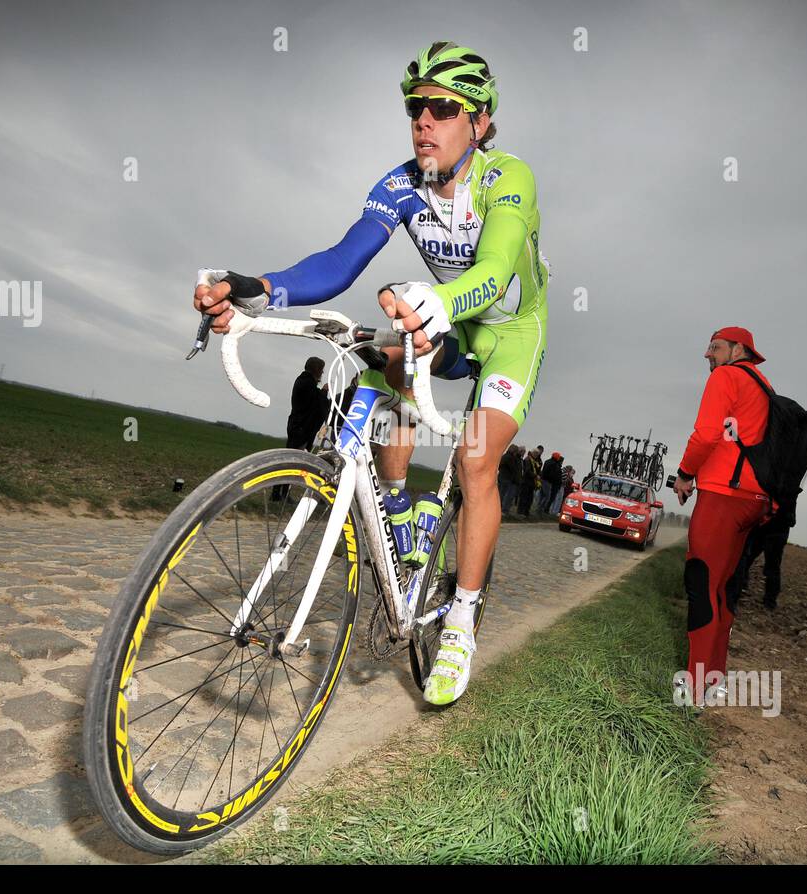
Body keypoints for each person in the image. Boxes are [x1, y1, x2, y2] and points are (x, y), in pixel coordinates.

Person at [191, 42, 549, 706]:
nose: (425, 120)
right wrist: (259, 288)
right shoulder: (400, 184)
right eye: (417, 106)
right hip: (446, 321)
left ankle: (463, 620)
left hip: (509, 333)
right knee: (380, 362)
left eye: (445, 108)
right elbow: (338, 261)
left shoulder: (509, 178)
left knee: (476, 461)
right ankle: (392, 508)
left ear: (481, 123)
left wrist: (434, 301)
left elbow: (495, 270)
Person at [672, 327, 775, 705]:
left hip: (722, 496)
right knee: (724, 589)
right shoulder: (763, 386)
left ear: (737, 349)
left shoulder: (727, 376)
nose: (707, 354)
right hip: (754, 501)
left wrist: (685, 475)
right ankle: (714, 682)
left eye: (714, 347)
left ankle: (693, 688)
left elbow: (706, 434)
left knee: (701, 582)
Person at [273, 357, 330, 501]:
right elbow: (315, 404)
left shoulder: (304, 381)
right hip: (301, 429)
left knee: (290, 461)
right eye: (321, 369)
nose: (322, 372)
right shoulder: (307, 383)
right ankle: (281, 494)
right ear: (316, 369)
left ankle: (280, 493)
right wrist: (323, 392)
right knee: (291, 462)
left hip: (297, 426)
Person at [498, 444, 523, 515]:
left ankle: (499, 509)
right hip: (507, 479)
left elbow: (500, 466)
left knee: (501, 494)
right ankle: (502, 510)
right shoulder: (510, 458)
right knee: (505, 495)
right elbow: (513, 469)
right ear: (514, 451)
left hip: (502, 477)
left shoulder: (504, 456)